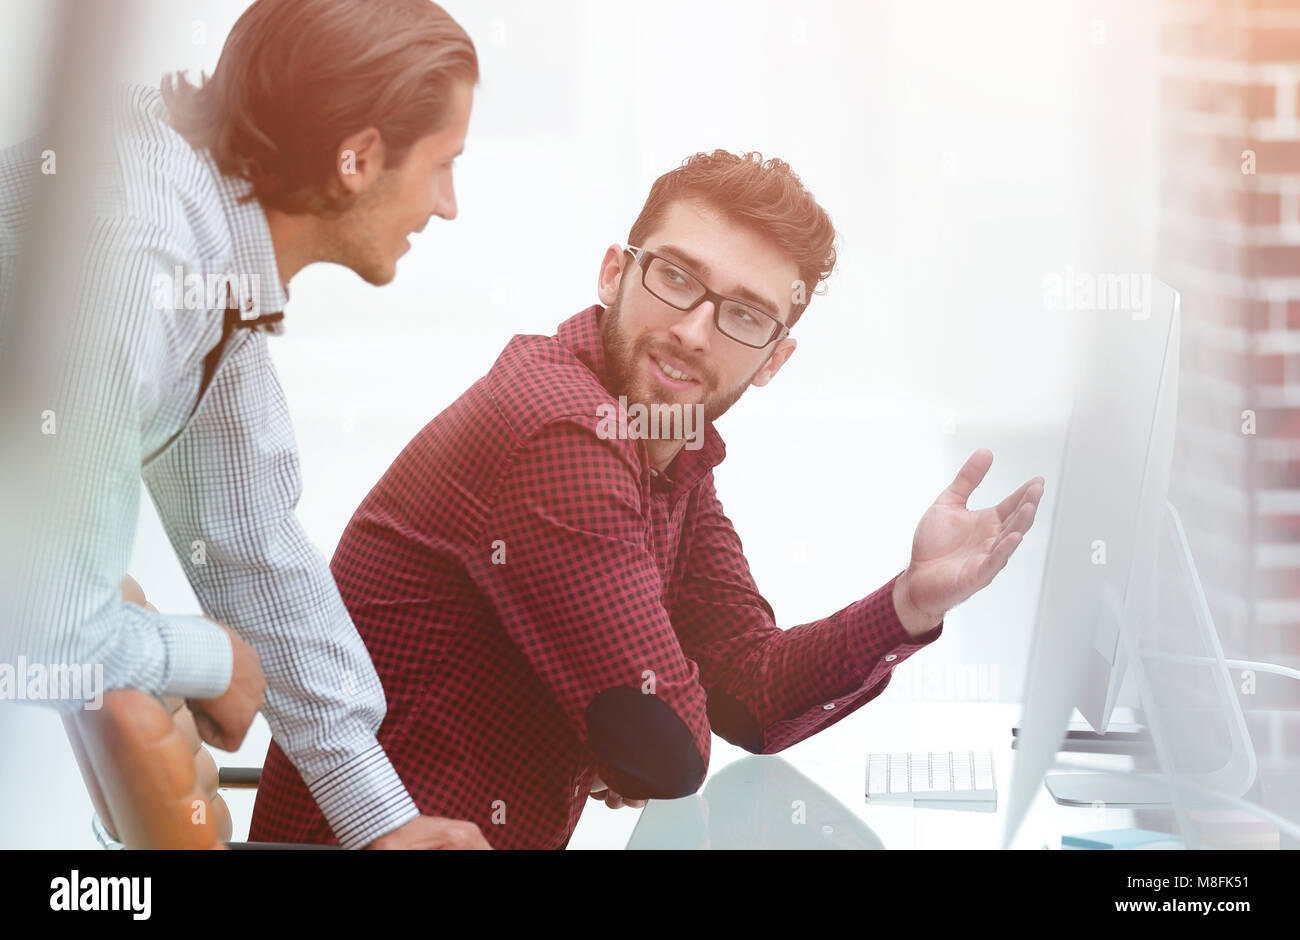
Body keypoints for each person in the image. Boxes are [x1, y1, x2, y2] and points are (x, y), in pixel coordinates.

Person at [247, 149, 1046, 849]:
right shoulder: (564, 429)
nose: (695, 332)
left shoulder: (668, 444)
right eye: (676, 277)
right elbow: (670, 749)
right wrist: (626, 725)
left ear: (773, 359)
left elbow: (751, 695)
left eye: (743, 314)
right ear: (612, 272)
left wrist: (908, 602)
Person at [0, 0, 487, 850]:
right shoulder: (141, 260)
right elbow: (45, 623)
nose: (448, 205)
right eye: (444, 165)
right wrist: (211, 660)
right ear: (359, 158)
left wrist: (384, 823)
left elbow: (244, 533)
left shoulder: (204, 231)